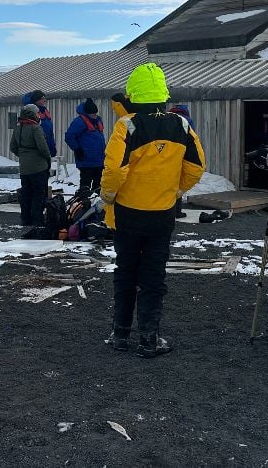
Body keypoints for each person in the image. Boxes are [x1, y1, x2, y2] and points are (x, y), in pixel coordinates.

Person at [101, 63, 205, 358]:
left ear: (134, 93)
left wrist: (108, 197)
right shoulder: (181, 125)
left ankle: (120, 335)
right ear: (163, 93)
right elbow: (197, 167)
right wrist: (175, 190)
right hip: (162, 214)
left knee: (126, 272)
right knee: (153, 276)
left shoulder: (127, 126)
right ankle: (149, 338)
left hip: (127, 214)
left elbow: (114, 170)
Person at [10, 103, 52, 226]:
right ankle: (37, 220)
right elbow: (43, 148)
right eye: (37, 113)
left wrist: (23, 155)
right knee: (39, 194)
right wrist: (47, 159)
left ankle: (25, 219)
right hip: (38, 167)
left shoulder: (18, 128)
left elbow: (12, 147)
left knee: (26, 194)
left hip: (24, 168)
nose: (39, 115)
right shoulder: (35, 128)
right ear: (33, 114)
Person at [64, 98, 105, 194]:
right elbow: (69, 136)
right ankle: (83, 202)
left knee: (98, 184)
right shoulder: (79, 122)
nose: (95, 115)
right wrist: (77, 149)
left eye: (95, 113)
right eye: (92, 114)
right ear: (87, 113)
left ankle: (95, 202)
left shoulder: (98, 121)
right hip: (86, 160)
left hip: (99, 160)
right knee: (85, 184)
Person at [22, 89, 56, 159]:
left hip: (46, 148)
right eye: (42, 98)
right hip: (36, 151)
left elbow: (49, 132)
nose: (45, 100)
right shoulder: (30, 113)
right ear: (36, 100)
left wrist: (52, 148)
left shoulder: (44, 110)